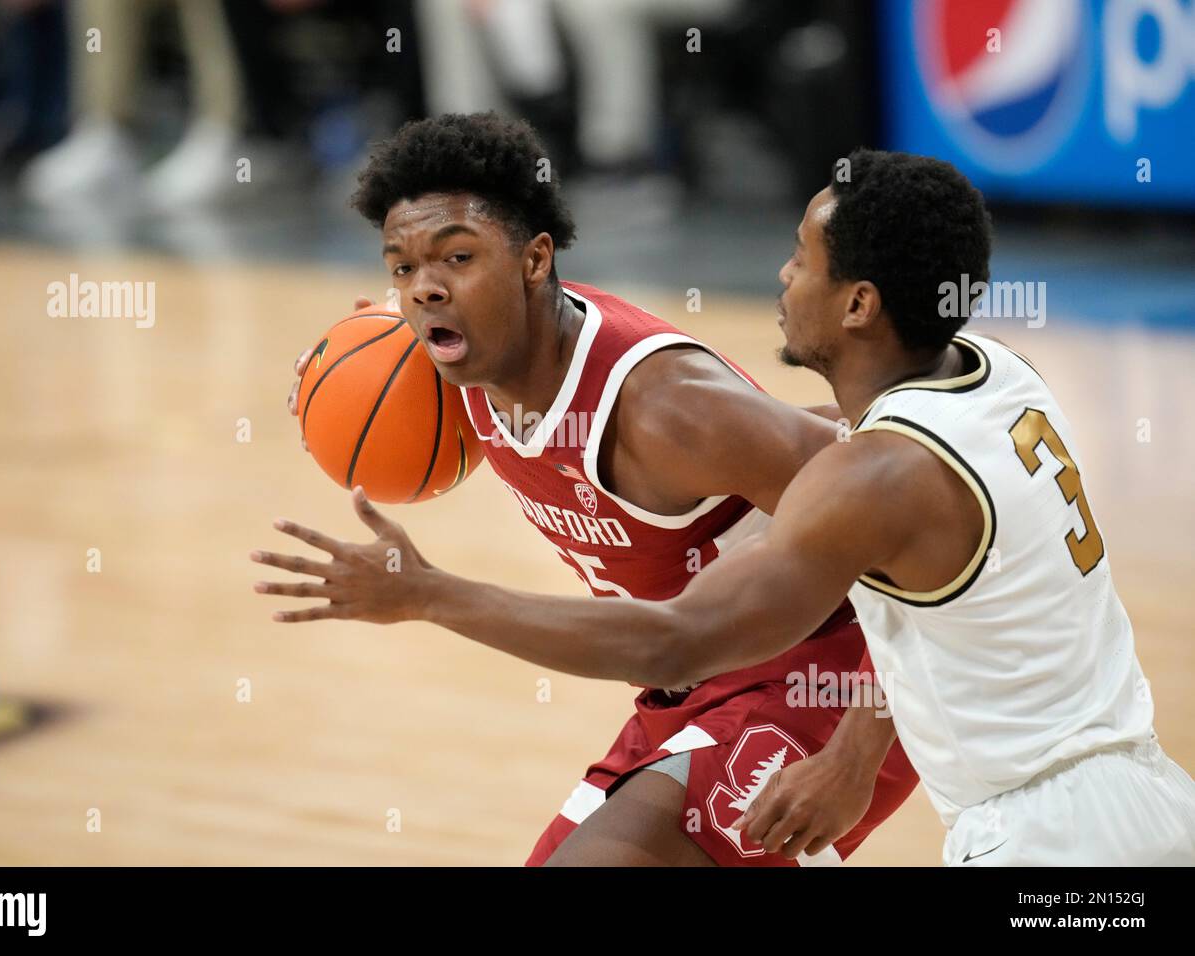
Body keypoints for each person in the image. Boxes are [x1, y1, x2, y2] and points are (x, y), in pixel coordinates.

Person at [254, 146, 1195, 866]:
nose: (780, 277)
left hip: (1032, 822)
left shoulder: (831, 464)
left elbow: (674, 636)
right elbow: (911, 569)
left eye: (800, 259)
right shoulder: (996, 380)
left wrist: (428, 595)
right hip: (1121, 792)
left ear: (860, 304)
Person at [255, 113, 918, 866]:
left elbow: (905, 522)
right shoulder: (454, 347)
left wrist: (857, 756)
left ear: (536, 262)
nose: (424, 291)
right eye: (402, 269)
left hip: (827, 683)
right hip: (687, 684)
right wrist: (322, 390)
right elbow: (360, 356)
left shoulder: (666, 406)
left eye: (458, 257)